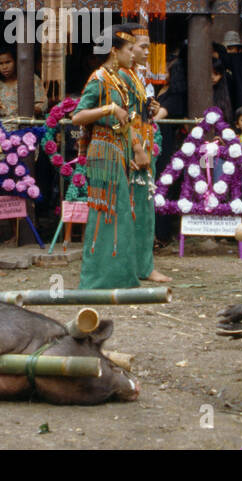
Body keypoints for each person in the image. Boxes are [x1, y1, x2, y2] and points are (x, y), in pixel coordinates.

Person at [70, 29, 140, 289]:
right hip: (102, 151)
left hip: (117, 150)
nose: (133, 55)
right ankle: (96, 279)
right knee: (105, 213)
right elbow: (77, 117)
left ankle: (118, 277)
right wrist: (109, 108)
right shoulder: (99, 79)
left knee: (120, 212)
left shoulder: (118, 80)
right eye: (129, 50)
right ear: (115, 51)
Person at [122, 25, 169, 284]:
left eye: (148, 47)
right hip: (130, 148)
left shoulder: (142, 77)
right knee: (130, 208)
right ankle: (132, 265)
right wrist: (136, 148)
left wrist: (151, 109)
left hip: (143, 144)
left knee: (144, 208)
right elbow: (122, 117)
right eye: (141, 47)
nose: (146, 52)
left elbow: (139, 113)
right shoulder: (120, 77)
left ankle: (144, 264)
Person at [0, 50, 44, 130]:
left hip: (27, 130)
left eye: (8, 62)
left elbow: (42, 105)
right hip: (2, 132)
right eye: (1, 64)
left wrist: (27, 108)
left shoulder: (30, 80)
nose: (4, 67)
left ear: (16, 62)